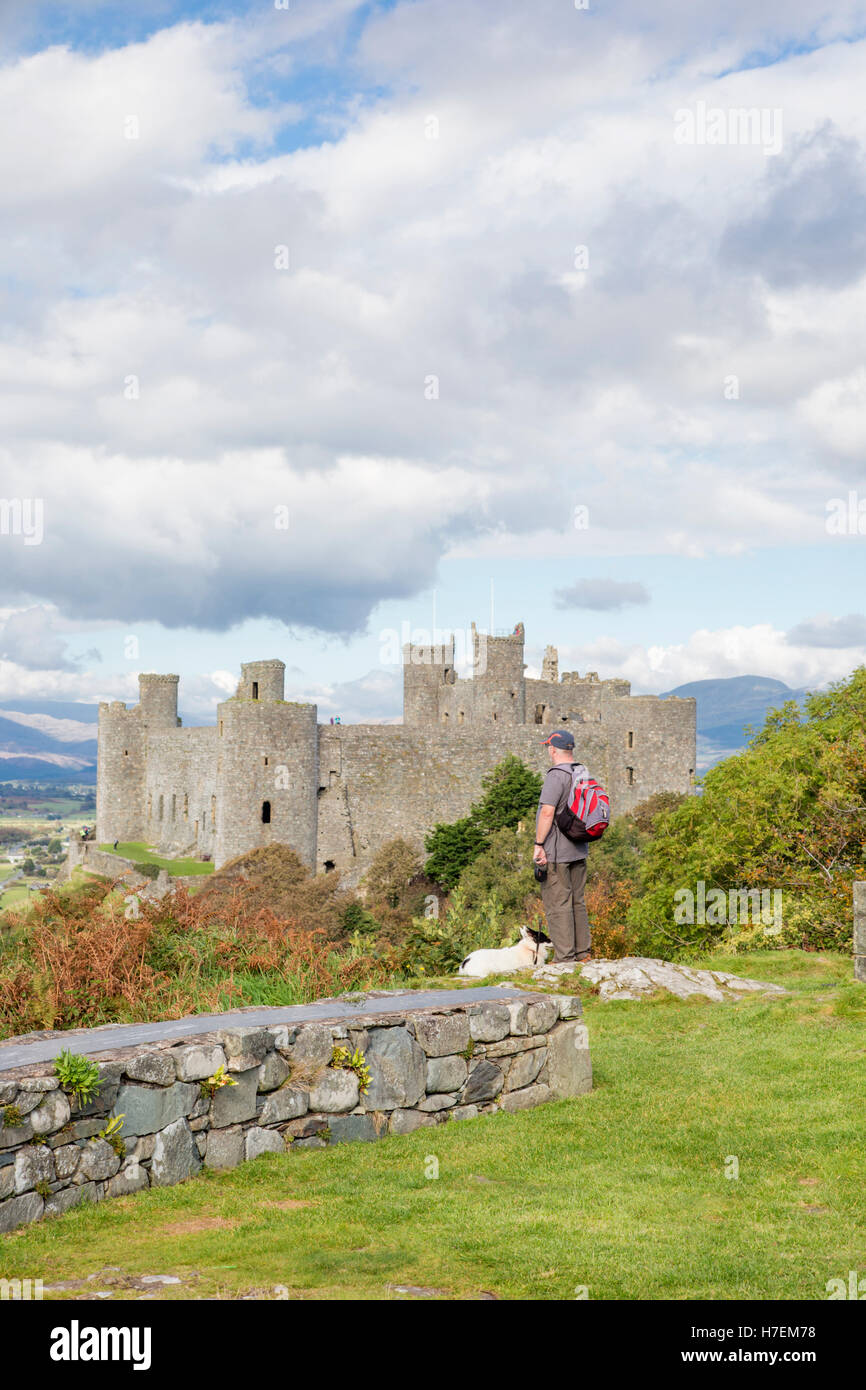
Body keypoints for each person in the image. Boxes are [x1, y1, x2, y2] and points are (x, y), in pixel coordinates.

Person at [532, 729, 591, 967]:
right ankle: (583, 954)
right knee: (578, 901)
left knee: (558, 903)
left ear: (553, 749)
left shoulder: (556, 775)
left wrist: (538, 845)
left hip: (557, 850)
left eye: (549, 747)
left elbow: (547, 811)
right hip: (579, 846)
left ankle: (564, 958)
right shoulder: (582, 771)